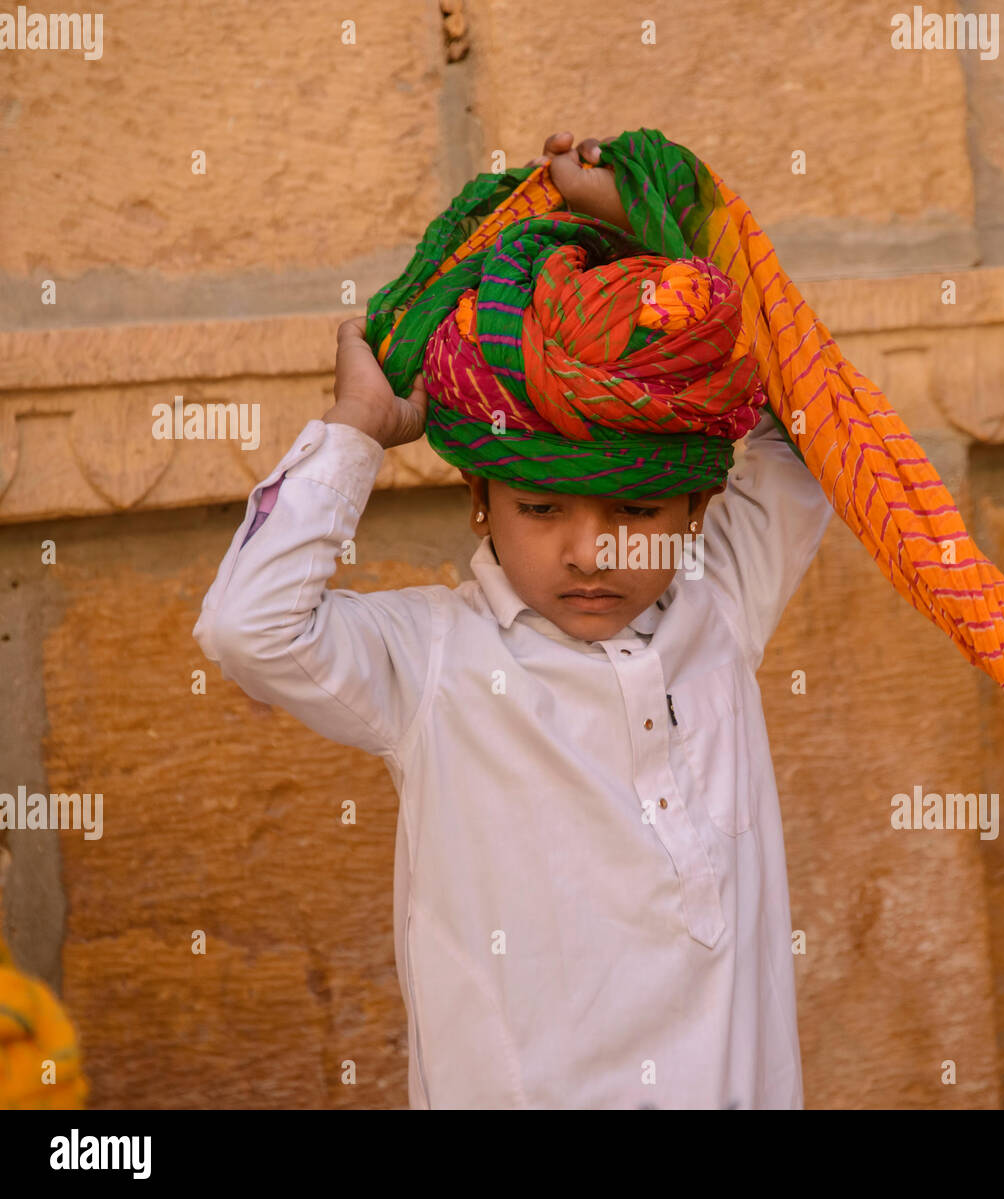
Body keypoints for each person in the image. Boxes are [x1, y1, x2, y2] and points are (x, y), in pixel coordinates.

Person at [192, 131, 834, 1109]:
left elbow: (807, 423)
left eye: (635, 513)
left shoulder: (719, 599)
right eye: (540, 510)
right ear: (478, 504)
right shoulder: (430, 664)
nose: (588, 552)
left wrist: (649, 229)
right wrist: (357, 430)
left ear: (697, 513)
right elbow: (250, 627)